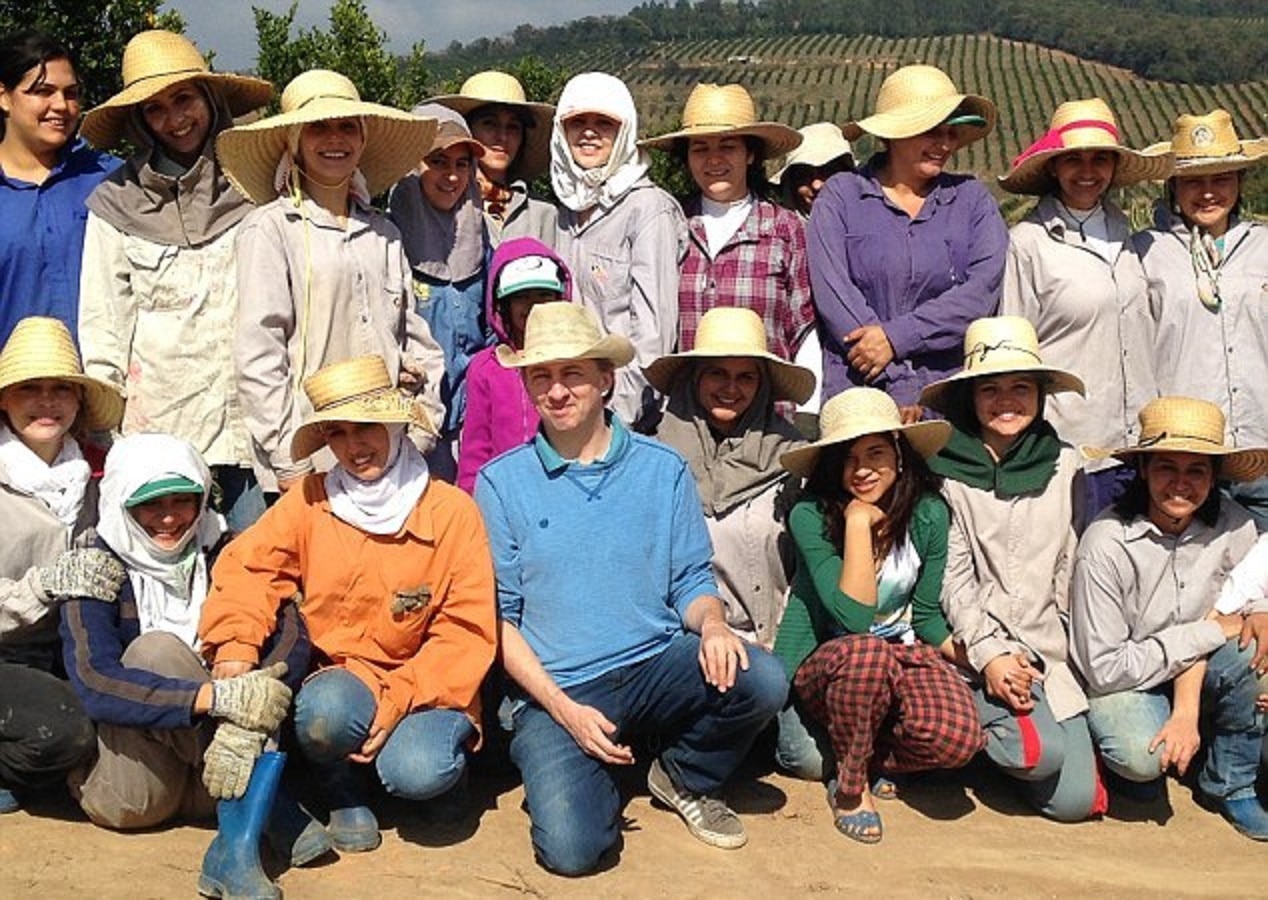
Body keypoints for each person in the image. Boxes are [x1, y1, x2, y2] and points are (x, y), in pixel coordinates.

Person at [474, 302, 787, 874]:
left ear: (605, 379)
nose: (557, 391)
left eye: (573, 373)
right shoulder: (501, 482)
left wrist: (714, 625)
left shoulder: (662, 468)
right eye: (541, 376)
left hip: (655, 663)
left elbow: (690, 577)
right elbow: (502, 620)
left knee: (760, 677)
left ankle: (683, 773)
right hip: (562, 684)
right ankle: (591, 765)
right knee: (571, 852)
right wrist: (563, 710)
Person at [201, 355, 497, 854]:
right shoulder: (311, 499)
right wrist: (235, 645)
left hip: (431, 683)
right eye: (337, 433)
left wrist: (399, 696)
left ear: (395, 426)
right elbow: (249, 567)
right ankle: (342, 786)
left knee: (419, 771)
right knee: (324, 716)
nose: (354, 446)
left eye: (366, 428)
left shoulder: (452, 512)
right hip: (344, 679)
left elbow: (465, 632)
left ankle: (443, 779)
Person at [57, 432, 318, 898]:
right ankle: (266, 809)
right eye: (151, 505)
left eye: (183, 501)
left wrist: (257, 688)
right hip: (138, 790)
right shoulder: (94, 566)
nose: (170, 517)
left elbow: (290, 631)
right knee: (158, 651)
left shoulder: (226, 550)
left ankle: (234, 853)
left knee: (259, 682)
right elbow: (94, 680)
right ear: (122, 503)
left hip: (215, 772)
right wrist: (214, 699)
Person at [77, 30, 273, 532]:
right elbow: (104, 325)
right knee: (168, 566)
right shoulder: (116, 204)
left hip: (253, 424)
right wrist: (108, 433)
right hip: (161, 428)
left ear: (209, 98)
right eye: (155, 109)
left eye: (184, 99)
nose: (175, 119)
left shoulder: (258, 184)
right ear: (139, 120)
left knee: (255, 565)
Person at [215, 68, 445, 496]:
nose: (335, 139)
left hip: (389, 452)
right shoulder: (270, 229)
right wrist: (289, 456)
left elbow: (415, 340)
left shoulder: (383, 233)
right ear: (294, 141)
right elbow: (259, 353)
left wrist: (421, 428)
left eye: (347, 127)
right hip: (313, 456)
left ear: (362, 139)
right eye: (318, 127)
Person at [772, 387, 982, 842]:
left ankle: (868, 753)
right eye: (848, 458)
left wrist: (978, 658)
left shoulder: (928, 513)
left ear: (899, 456)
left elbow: (925, 615)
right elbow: (853, 617)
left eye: (875, 453)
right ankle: (851, 789)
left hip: (900, 652)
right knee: (866, 654)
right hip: (831, 660)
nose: (862, 469)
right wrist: (857, 523)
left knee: (959, 738)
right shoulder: (811, 514)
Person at [919, 315, 1106, 822]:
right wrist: (991, 655)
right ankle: (973, 728)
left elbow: (1070, 562)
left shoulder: (1066, 465)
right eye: (991, 389)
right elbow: (954, 581)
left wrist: (1066, 648)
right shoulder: (945, 472)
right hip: (974, 645)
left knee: (1073, 803)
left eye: (1020, 387)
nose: (1006, 401)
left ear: (1040, 394)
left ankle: (1016, 733)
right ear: (971, 397)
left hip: (1048, 647)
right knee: (1037, 754)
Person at [1071, 396, 1268, 839]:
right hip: (1127, 678)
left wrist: (1260, 611)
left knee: (1258, 652)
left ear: (1214, 476)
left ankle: (1230, 782)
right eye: (1166, 468)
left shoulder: (1237, 527)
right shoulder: (1106, 545)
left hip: (1202, 668)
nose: (1181, 484)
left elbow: (1251, 594)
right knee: (1140, 758)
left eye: (1196, 470)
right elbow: (1103, 669)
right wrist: (1208, 631)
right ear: (1143, 469)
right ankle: (1148, 759)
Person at [999, 98, 1168, 518]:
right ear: (1054, 167)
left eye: (1100, 159)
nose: (1088, 171)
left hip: (1141, 444)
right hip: (1076, 447)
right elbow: (1015, 352)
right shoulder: (1029, 244)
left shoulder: (1127, 235)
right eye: (1074, 159)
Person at [808, 64, 1007, 417]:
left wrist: (896, 337)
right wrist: (898, 381)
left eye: (951, 133)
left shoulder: (972, 201)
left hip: (947, 398)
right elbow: (834, 295)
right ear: (893, 135)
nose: (944, 144)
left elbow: (981, 293)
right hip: (859, 398)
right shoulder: (841, 197)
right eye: (931, 131)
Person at [0, 316, 123, 814]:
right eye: (30, 388)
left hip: (71, 653)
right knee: (65, 733)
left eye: (61, 389)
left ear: (79, 400)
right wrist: (43, 586)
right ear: (4, 399)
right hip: (6, 651)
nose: (47, 402)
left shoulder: (102, 475)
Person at [645, 305, 813, 648]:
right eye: (717, 373)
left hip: (774, 643)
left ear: (762, 385)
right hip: (681, 646)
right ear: (695, 378)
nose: (731, 388)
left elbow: (810, 571)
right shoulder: (652, 461)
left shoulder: (795, 460)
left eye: (746, 377)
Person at [1132, 110, 1268, 530]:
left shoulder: (1263, 247)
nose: (1208, 192)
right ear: (1174, 185)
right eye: (1193, 181)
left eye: (1221, 179)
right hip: (1186, 458)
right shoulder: (1145, 253)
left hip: (1261, 447)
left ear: (1239, 182)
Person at [641, 83, 814, 365]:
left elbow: (804, 330)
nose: (714, 159)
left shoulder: (784, 228)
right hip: (684, 392)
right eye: (700, 148)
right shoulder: (668, 222)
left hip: (764, 392)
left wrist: (807, 393)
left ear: (750, 154)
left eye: (728, 146)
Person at [552, 71, 686, 431]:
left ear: (624, 131)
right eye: (577, 122)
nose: (589, 133)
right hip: (568, 409)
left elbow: (654, 335)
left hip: (626, 419)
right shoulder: (564, 211)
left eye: (604, 123)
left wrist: (614, 419)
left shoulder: (647, 208)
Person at [0, 29, 120, 343]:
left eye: (71, 93)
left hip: (104, 371)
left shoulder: (110, 179)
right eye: (43, 91)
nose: (61, 106)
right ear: (4, 96)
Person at [389, 103, 489, 481]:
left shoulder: (483, 240)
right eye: (437, 162)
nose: (452, 176)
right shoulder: (387, 240)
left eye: (462, 164)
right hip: (410, 430)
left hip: (472, 429)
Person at [457, 236, 568, 494]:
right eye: (521, 297)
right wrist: (471, 498)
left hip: (566, 489)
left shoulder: (576, 358)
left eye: (543, 295)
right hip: (507, 492)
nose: (533, 306)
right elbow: (476, 447)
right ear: (503, 304)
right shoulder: (486, 368)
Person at [429, 70, 555, 247]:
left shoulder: (543, 214)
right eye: (490, 123)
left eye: (513, 127)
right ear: (468, 130)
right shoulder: (439, 202)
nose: (502, 136)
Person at [768, 122, 853, 220]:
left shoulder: (866, 219)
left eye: (827, 172)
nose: (817, 185)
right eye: (804, 175)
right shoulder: (778, 225)